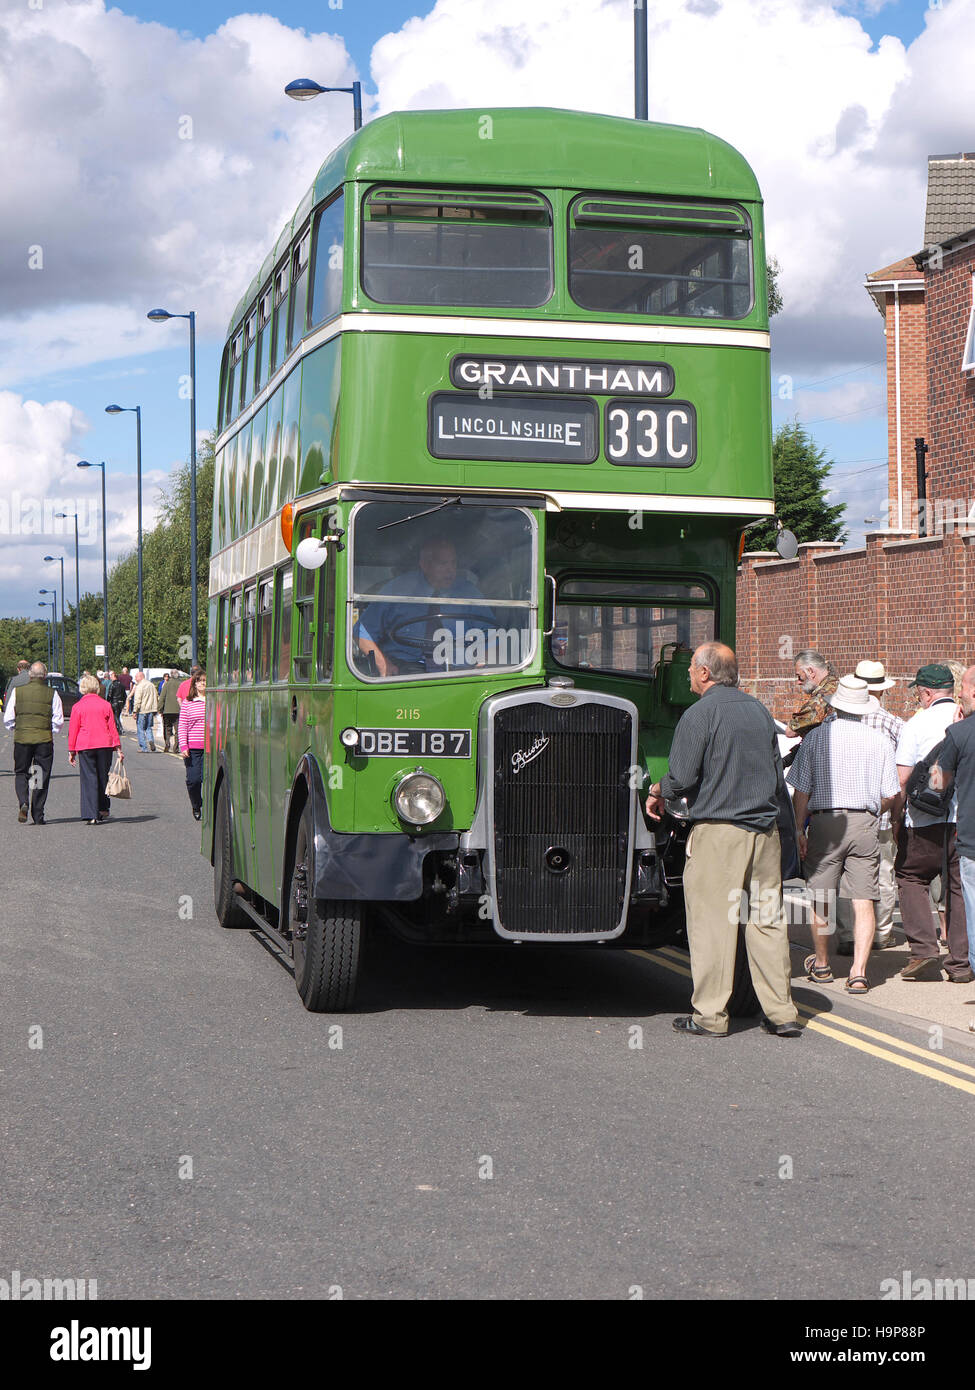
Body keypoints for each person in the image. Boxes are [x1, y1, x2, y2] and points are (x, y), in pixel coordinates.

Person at [644, 642, 801, 1038]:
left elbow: (681, 777)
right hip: (764, 833)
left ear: (703, 673)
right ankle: (782, 1013)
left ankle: (710, 1017)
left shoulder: (699, 714)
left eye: (691, 669)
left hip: (719, 832)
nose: (688, 676)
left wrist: (656, 790)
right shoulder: (758, 711)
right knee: (767, 922)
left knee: (713, 924)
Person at [788, 676, 899, 993]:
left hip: (825, 821)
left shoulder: (816, 738)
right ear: (865, 708)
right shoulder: (879, 740)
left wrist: (799, 829)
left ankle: (821, 965)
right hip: (864, 822)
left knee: (821, 897)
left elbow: (802, 791)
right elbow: (891, 793)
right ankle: (859, 972)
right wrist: (873, 810)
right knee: (863, 899)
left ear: (836, 704)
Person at [891, 664, 970, 982]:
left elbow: (902, 779)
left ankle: (923, 951)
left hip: (924, 819)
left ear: (925, 693)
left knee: (910, 876)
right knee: (958, 886)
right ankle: (961, 963)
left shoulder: (916, 724)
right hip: (962, 819)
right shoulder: (967, 721)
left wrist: (897, 817)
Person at [834, 660, 903, 955]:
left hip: (842, 813)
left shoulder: (833, 724)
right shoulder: (895, 724)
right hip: (882, 813)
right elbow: (902, 776)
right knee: (883, 875)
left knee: (844, 876)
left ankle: (849, 934)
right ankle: (881, 933)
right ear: (882, 691)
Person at [354, 537, 492, 677]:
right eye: (443, 563)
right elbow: (362, 632)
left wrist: (485, 660)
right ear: (424, 565)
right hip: (406, 669)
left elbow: (491, 634)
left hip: (460, 669)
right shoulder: (398, 590)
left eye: (453, 563)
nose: (450, 570)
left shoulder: (469, 592)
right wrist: (384, 664)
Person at [932, 665, 975, 977]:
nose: (959, 694)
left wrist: (955, 735)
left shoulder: (960, 733)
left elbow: (937, 783)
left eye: (961, 688)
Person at [3, 660, 63, 825]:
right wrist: (50, 731)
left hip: (22, 739)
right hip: (43, 740)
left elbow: (8, 718)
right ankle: (38, 813)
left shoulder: (18, 692)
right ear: (44, 675)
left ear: (30, 674)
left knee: (21, 772)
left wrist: (17, 728)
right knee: (40, 774)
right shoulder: (52, 693)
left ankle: (23, 801)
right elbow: (58, 721)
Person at [67, 674, 121, 824]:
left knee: (89, 779)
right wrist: (118, 748)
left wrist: (72, 751)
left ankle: (91, 814)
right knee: (103, 777)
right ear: (96, 688)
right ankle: (103, 808)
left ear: (83, 688)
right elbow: (112, 728)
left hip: (85, 745)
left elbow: (74, 730)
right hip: (105, 745)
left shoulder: (77, 707)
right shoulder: (105, 705)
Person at [783, 649, 837, 740]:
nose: (798, 682)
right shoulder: (837, 686)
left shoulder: (823, 696)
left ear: (811, 671)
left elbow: (790, 731)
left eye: (799, 676)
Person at [178, 671, 206, 820]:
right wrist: (184, 746)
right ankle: (196, 804)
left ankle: (208, 806)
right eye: (199, 681)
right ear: (194, 684)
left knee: (207, 779)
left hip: (210, 749)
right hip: (193, 748)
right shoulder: (188, 703)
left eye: (204, 681)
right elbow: (182, 726)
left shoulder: (213, 701)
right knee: (193, 780)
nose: (202, 683)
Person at [131, 668, 158, 752]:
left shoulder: (140, 686)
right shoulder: (151, 685)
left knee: (141, 729)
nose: (135, 679)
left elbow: (137, 700)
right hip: (150, 710)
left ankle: (144, 748)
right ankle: (151, 740)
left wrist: (135, 711)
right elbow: (156, 697)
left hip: (142, 710)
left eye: (136, 677)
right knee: (148, 728)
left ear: (141, 677)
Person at [158, 670, 181, 753]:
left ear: (171, 675)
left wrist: (160, 709)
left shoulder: (167, 684)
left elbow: (162, 697)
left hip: (167, 711)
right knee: (178, 730)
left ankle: (167, 744)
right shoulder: (181, 684)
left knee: (167, 728)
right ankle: (176, 747)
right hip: (178, 710)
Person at [106, 669, 126, 734]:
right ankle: (118, 728)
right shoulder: (122, 685)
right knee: (117, 715)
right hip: (120, 702)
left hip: (114, 702)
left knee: (115, 716)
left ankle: (120, 728)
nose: (110, 677)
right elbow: (124, 695)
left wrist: (108, 701)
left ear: (114, 677)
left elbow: (110, 694)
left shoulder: (112, 685)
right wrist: (123, 702)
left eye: (111, 676)